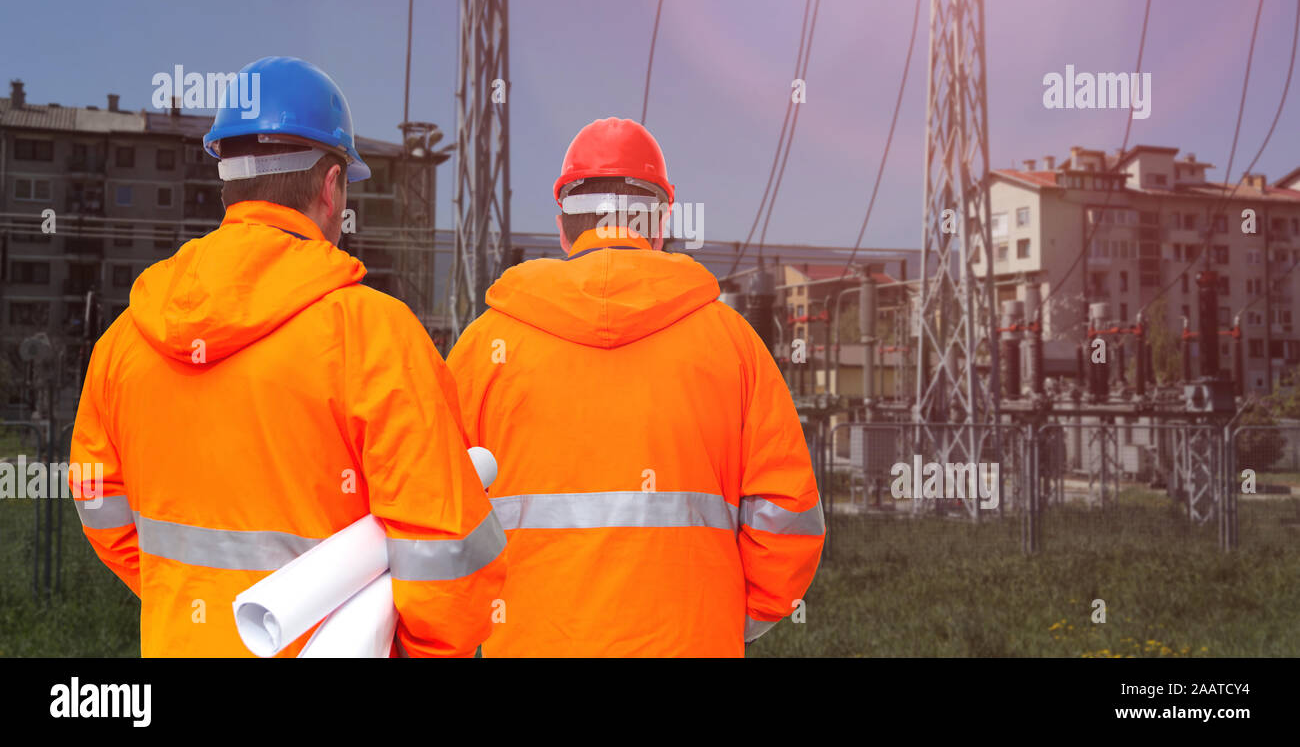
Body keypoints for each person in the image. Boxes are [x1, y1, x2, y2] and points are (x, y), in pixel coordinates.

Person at [69, 56, 505, 657]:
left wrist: (192, 604)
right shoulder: (374, 335)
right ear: (331, 187)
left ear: (230, 179)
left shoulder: (126, 340)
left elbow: (98, 500)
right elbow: (446, 553)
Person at [447, 117, 823, 656]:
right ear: (661, 221)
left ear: (563, 226)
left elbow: (435, 518)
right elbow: (788, 519)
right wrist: (725, 618)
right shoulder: (732, 343)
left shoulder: (486, 346)